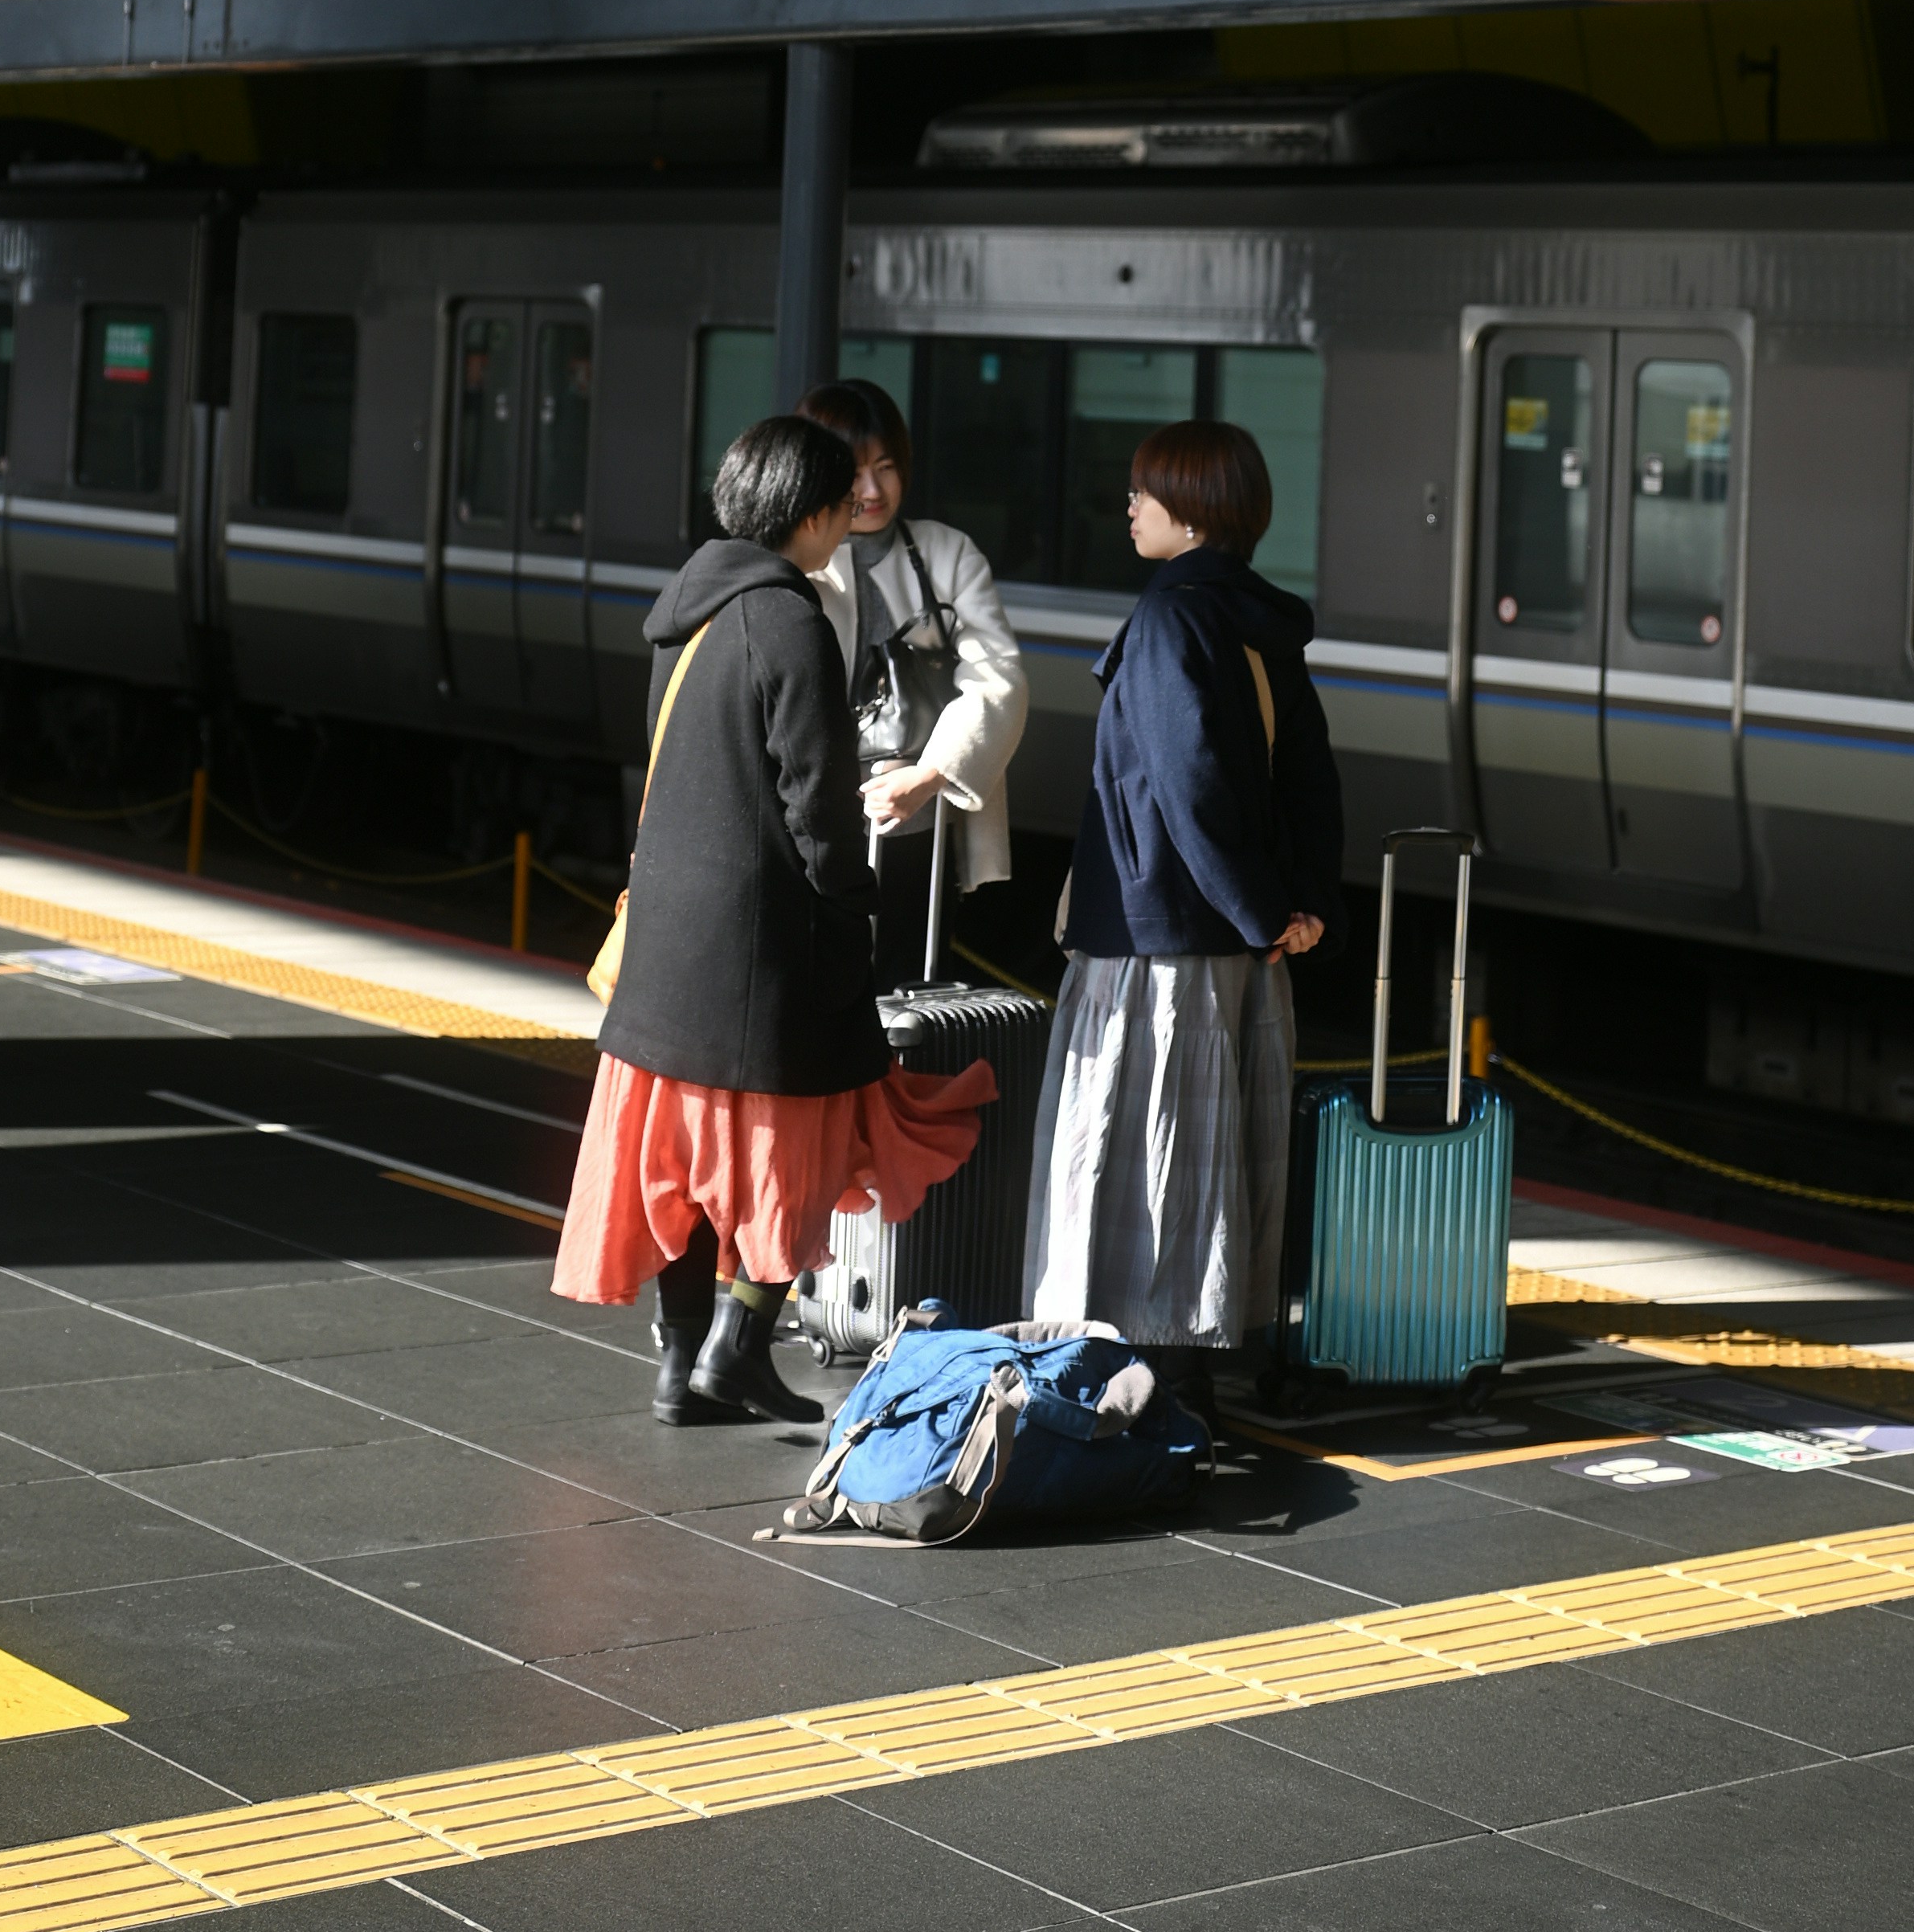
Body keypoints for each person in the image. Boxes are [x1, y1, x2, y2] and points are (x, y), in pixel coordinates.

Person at [554, 412, 993, 1423]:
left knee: (681, 1169)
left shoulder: (689, 609)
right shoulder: (789, 619)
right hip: (763, 950)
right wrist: (852, 907)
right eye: (843, 506)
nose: (850, 524)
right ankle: (736, 1350)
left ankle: (680, 1370)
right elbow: (816, 802)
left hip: (671, 945)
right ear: (811, 511)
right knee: (788, 1160)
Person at [1021, 415, 1344, 1408]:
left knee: (1138, 1156)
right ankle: (1195, 1365)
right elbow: (1311, 783)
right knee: (1217, 1163)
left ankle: (1144, 1373)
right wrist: (1295, 912)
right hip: (1244, 949)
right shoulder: (1262, 622)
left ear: (1193, 513)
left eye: (1144, 493)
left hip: (1160, 945)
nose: (1129, 508)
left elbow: (1185, 786)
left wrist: (1251, 910)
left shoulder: (1167, 620)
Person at [800, 374, 1029, 982]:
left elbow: (998, 677)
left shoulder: (947, 554)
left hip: (919, 826)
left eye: (887, 466)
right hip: (811, 824)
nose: (873, 489)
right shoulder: (793, 563)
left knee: (907, 996)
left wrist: (928, 777)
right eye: (853, 470)